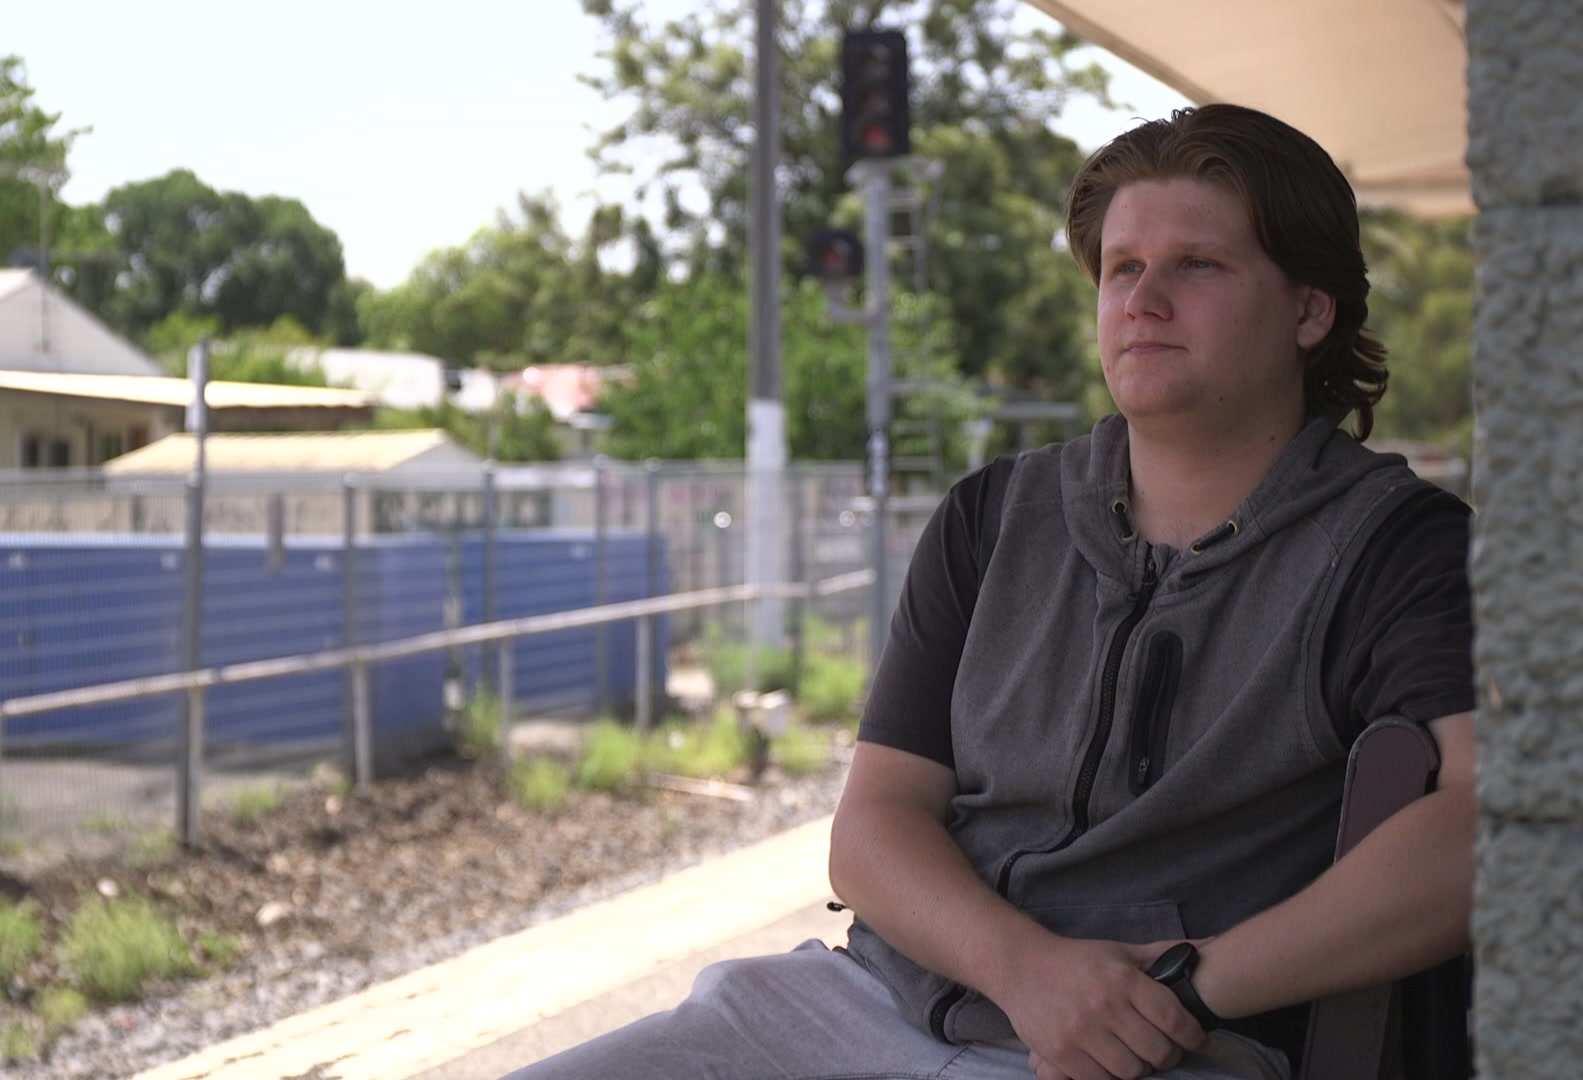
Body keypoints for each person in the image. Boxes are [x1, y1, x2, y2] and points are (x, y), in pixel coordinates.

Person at [504, 103, 1476, 1080]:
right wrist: (1026, 971)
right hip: (883, 999)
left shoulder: (1397, 550)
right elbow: (873, 828)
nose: (1144, 300)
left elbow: (1490, 820)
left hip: (1168, 1044)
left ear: (1309, 311)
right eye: (1123, 268)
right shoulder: (996, 517)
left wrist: (1186, 986)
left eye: (1198, 265)